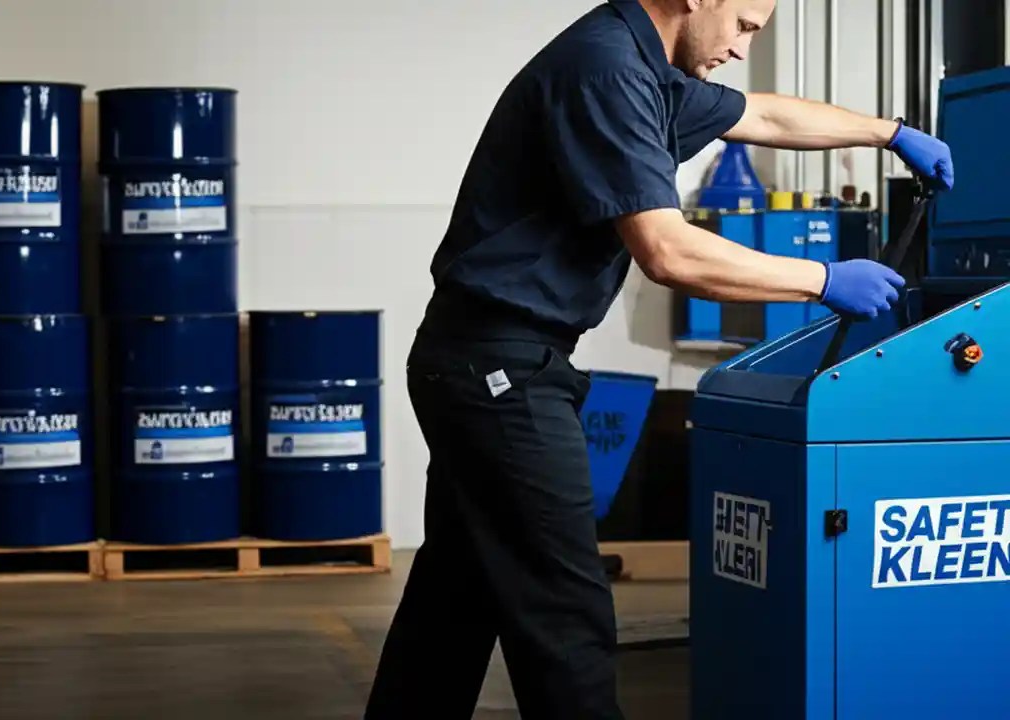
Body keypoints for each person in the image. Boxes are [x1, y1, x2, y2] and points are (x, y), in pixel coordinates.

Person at [363, 0, 954, 718]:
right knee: (565, 614)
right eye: (744, 25)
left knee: (455, 599)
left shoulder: (645, 68)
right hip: (499, 370)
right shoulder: (607, 69)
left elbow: (762, 116)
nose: (741, 48)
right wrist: (822, 278)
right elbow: (667, 250)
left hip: (480, 360)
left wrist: (887, 132)